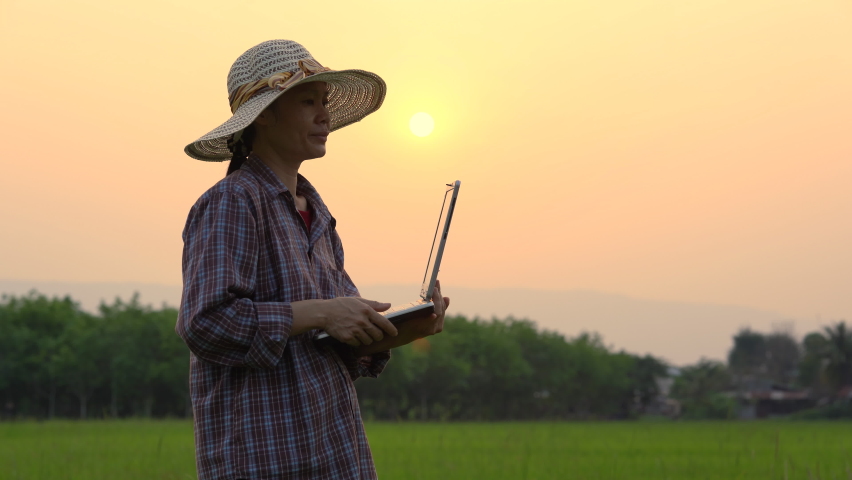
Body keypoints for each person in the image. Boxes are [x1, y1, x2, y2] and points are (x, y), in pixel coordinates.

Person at [177, 39, 450, 480]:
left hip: (336, 454)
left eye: (325, 102)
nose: (325, 116)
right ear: (264, 114)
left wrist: (406, 329)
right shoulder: (232, 202)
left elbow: (334, 340)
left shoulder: (317, 214)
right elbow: (205, 323)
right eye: (309, 102)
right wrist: (323, 311)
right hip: (262, 458)